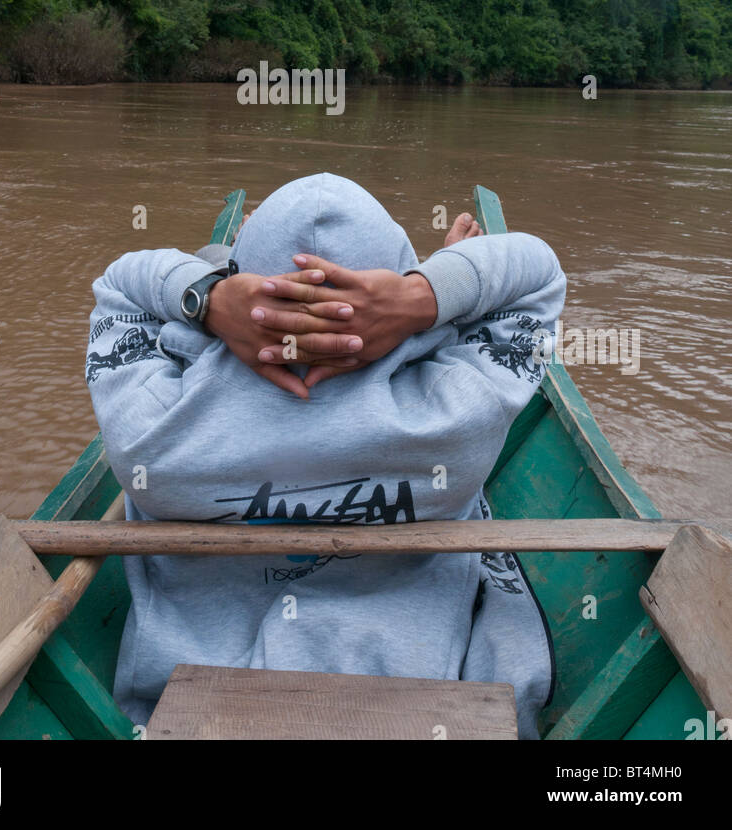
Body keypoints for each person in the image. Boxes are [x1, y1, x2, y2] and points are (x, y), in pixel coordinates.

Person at [85, 173, 566, 738]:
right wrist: (427, 293)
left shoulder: (154, 434)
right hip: (411, 682)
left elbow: (120, 286)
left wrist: (207, 295)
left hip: (182, 688)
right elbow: (538, 273)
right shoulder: (456, 416)